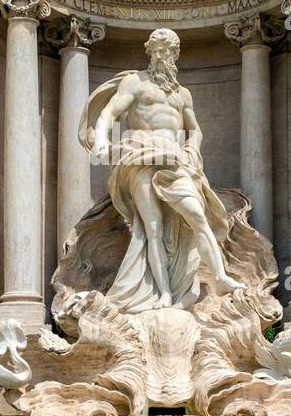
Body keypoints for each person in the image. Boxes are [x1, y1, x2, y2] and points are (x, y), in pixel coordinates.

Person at [79, 27, 243, 312]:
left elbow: (195, 130)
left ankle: (219, 276)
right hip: (140, 156)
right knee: (151, 227)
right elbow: (110, 112)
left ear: (175, 54)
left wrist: (192, 149)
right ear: (149, 53)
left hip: (175, 160)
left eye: (166, 51)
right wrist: (103, 139)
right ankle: (164, 293)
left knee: (196, 215)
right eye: (156, 51)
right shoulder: (135, 82)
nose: (161, 56)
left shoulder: (182, 95)